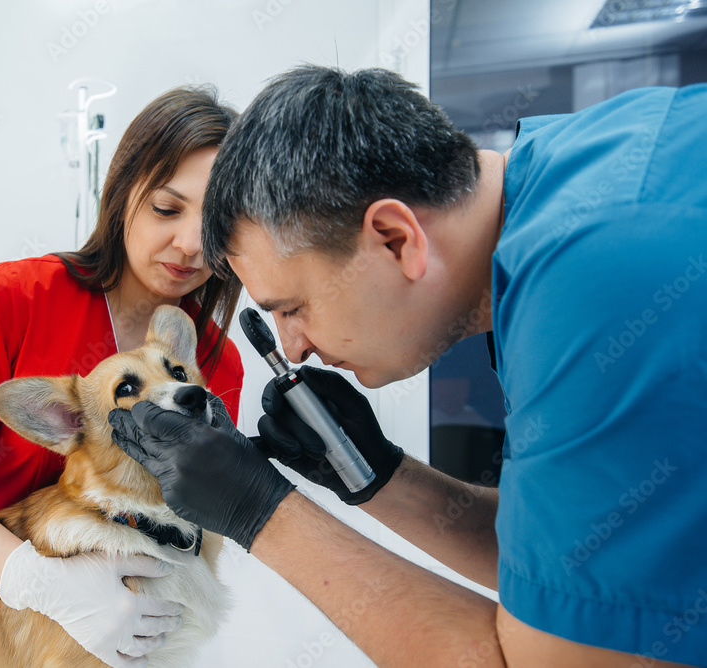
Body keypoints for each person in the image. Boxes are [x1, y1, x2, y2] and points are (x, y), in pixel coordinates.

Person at [109, 66, 706, 667]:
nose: (293, 350)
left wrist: (259, 512)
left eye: (292, 308)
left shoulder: (601, 293)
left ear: (395, 238)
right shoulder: (571, 178)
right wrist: (382, 478)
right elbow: (573, 572)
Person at [0, 86, 243, 667]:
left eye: (216, 226)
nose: (189, 245)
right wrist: (37, 581)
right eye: (166, 208)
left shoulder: (212, 362)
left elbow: (200, 518)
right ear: (123, 192)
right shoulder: (13, 299)